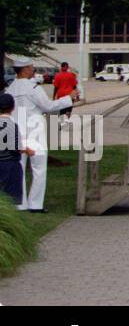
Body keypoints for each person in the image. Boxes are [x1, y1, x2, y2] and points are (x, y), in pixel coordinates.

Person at [7, 56, 79, 212]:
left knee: (18, 168)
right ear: (25, 69)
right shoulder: (33, 88)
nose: (34, 70)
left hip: (16, 133)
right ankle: (35, 204)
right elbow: (48, 106)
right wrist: (69, 98)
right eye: (32, 67)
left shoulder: (10, 89)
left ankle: (20, 204)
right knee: (39, 168)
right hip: (34, 133)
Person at [0, 93, 34, 206]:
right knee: (9, 200)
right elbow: (15, 148)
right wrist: (27, 150)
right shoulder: (11, 125)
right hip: (9, 166)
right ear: (13, 108)